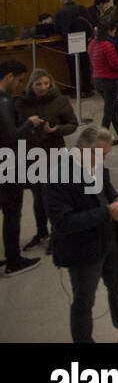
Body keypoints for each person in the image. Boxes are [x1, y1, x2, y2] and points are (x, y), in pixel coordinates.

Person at [46, 126, 118, 341]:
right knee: (84, 299)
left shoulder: (97, 166)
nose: (101, 159)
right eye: (97, 153)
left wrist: (117, 198)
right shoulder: (58, 177)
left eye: (105, 155)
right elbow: (62, 222)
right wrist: (106, 212)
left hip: (108, 240)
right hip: (82, 249)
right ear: (81, 149)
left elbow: (107, 192)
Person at [15, 68, 78, 250]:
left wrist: (56, 129)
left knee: (53, 196)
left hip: (53, 152)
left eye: (46, 84)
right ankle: (41, 231)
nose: (43, 87)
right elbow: (15, 129)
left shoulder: (60, 100)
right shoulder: (21, 103)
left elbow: (72, 124)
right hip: (31, 153)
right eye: (38, 84)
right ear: (31, 85)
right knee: (37, 196)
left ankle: (57, 233)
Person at [1, 60, 45, 276]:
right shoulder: (4, 101)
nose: (19, 85)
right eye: (18, 80)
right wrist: (29, 123)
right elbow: (11, 136)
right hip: (7, 165)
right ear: (9, 76)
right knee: (12, 214)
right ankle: (13, 261)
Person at [89, 20, 118, 145]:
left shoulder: (92, 44)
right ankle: (102, 138)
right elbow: (115, 64)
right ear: (109, 31)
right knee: (109, 111)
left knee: (113, 108)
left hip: (97, 79)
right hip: (109, 81)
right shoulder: (107, 45)